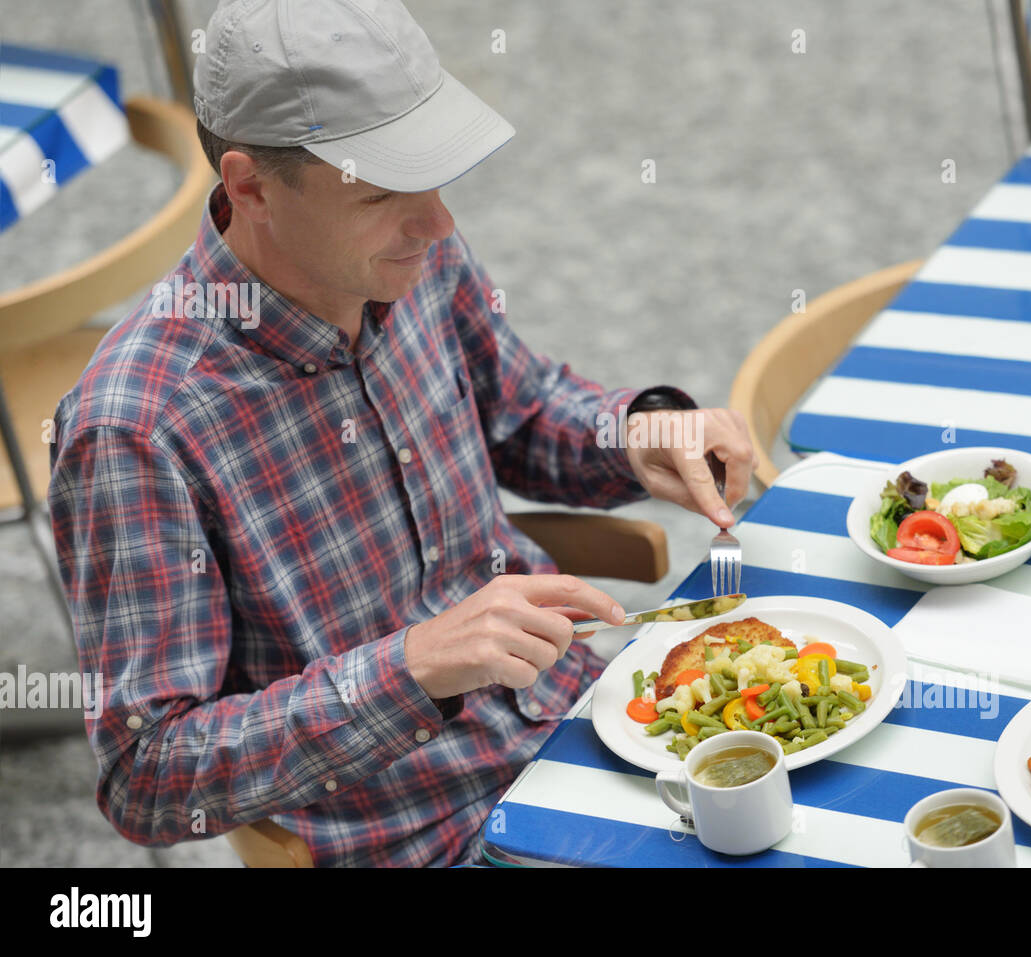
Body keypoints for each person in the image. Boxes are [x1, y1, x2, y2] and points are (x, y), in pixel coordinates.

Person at [47, 0, 755, 867]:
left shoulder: (403, 252)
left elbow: (521, 410)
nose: (438, 224)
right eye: (382, 193)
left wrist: (634, 434)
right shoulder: (134, 427)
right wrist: (411, 667)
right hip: (428, 837)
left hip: (589, 722)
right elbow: (148, 774)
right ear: (249, 187)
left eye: (433, 177)